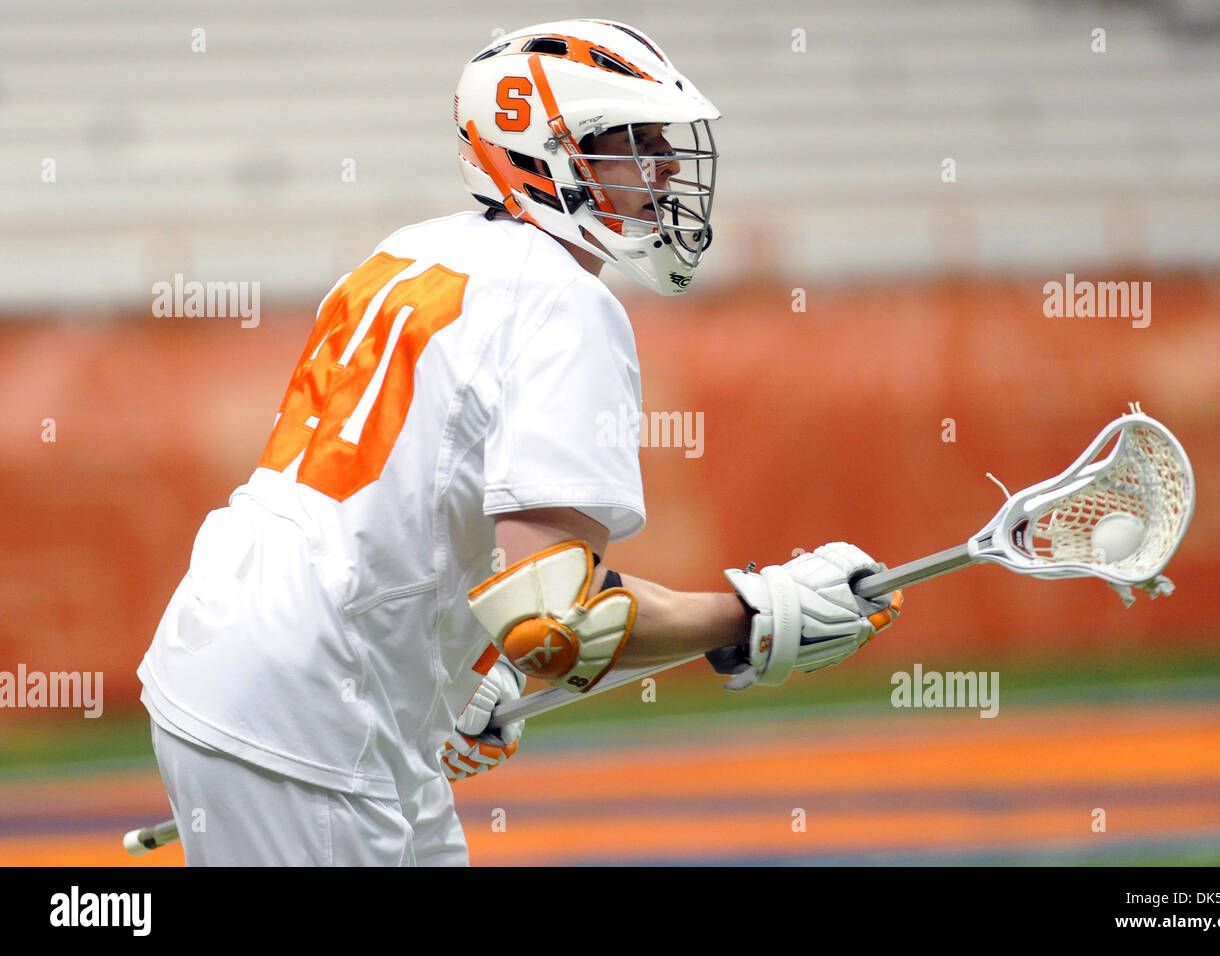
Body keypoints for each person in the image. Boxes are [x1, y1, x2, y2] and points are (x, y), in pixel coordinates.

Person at [137, 18, 903, 866]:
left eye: (665, 140)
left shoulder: (413, 250)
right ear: (543, 152)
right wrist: (754, 614)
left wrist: (466, 678)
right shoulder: (562, 304)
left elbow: (419, 522)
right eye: (632, 141)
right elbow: (553, 622)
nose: (671, 167)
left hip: (249, 658)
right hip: (315, 713)